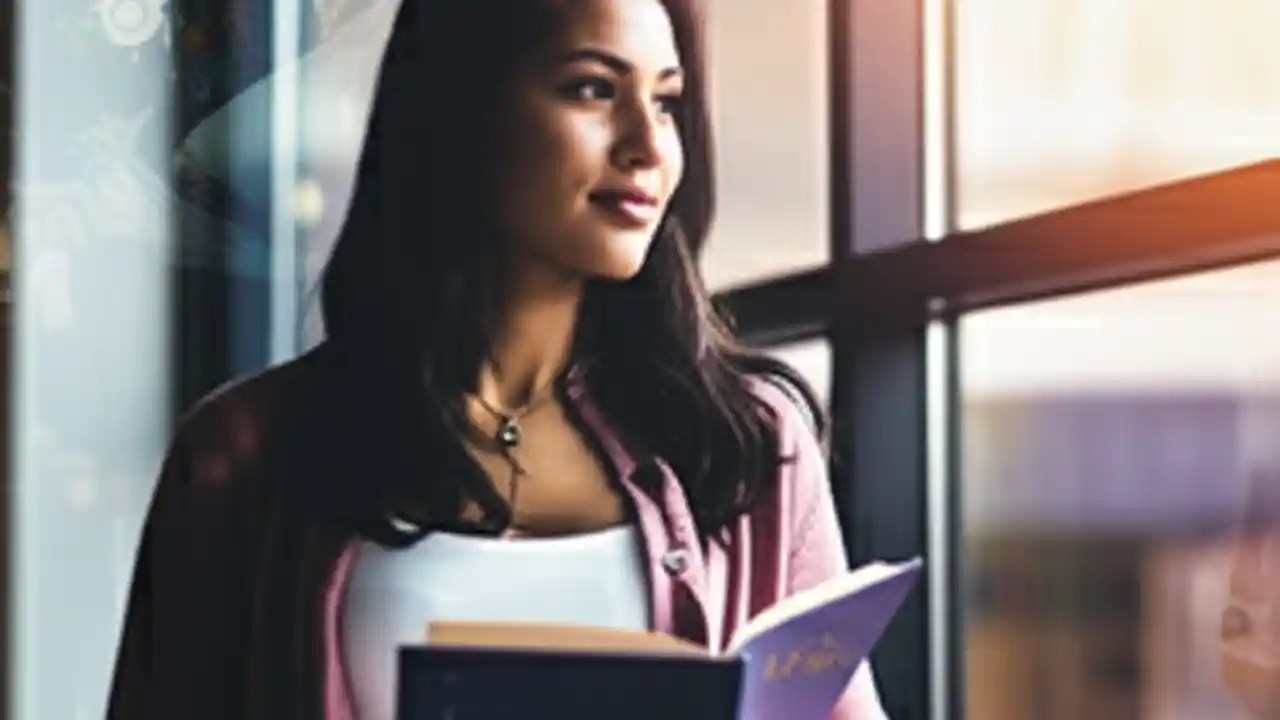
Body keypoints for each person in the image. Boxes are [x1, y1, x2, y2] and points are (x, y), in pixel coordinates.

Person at [107, 0, 888, 718]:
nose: (649, 146)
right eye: (591, 89)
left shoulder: (748, 447)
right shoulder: (247, 451)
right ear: (461, 108)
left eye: (665, 101)